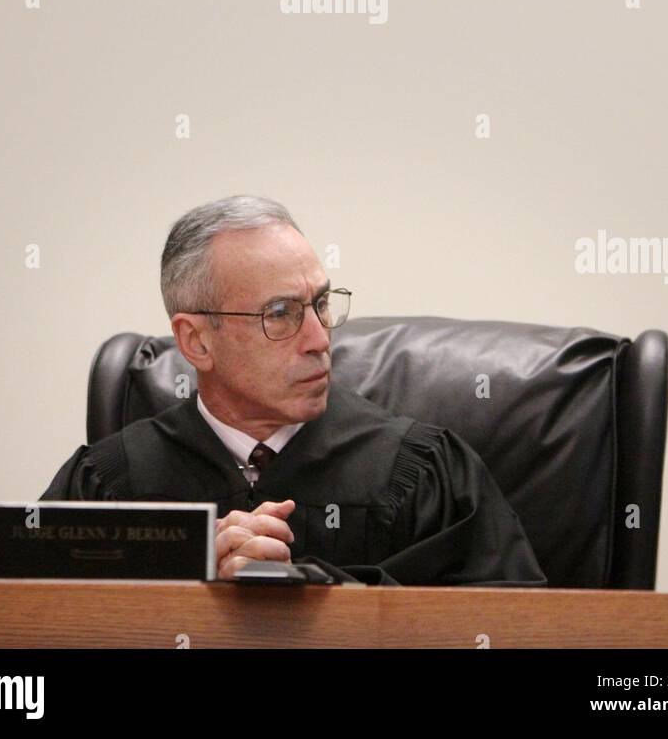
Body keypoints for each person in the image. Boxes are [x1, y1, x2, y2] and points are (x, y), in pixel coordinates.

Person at [39, 195, 547, 587]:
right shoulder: (109, 486)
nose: (320, 339)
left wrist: (312, 591)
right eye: (280, 314)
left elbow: (508, 628)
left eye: (321, 304)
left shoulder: (424, 473)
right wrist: (183, 584)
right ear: (196, 341)